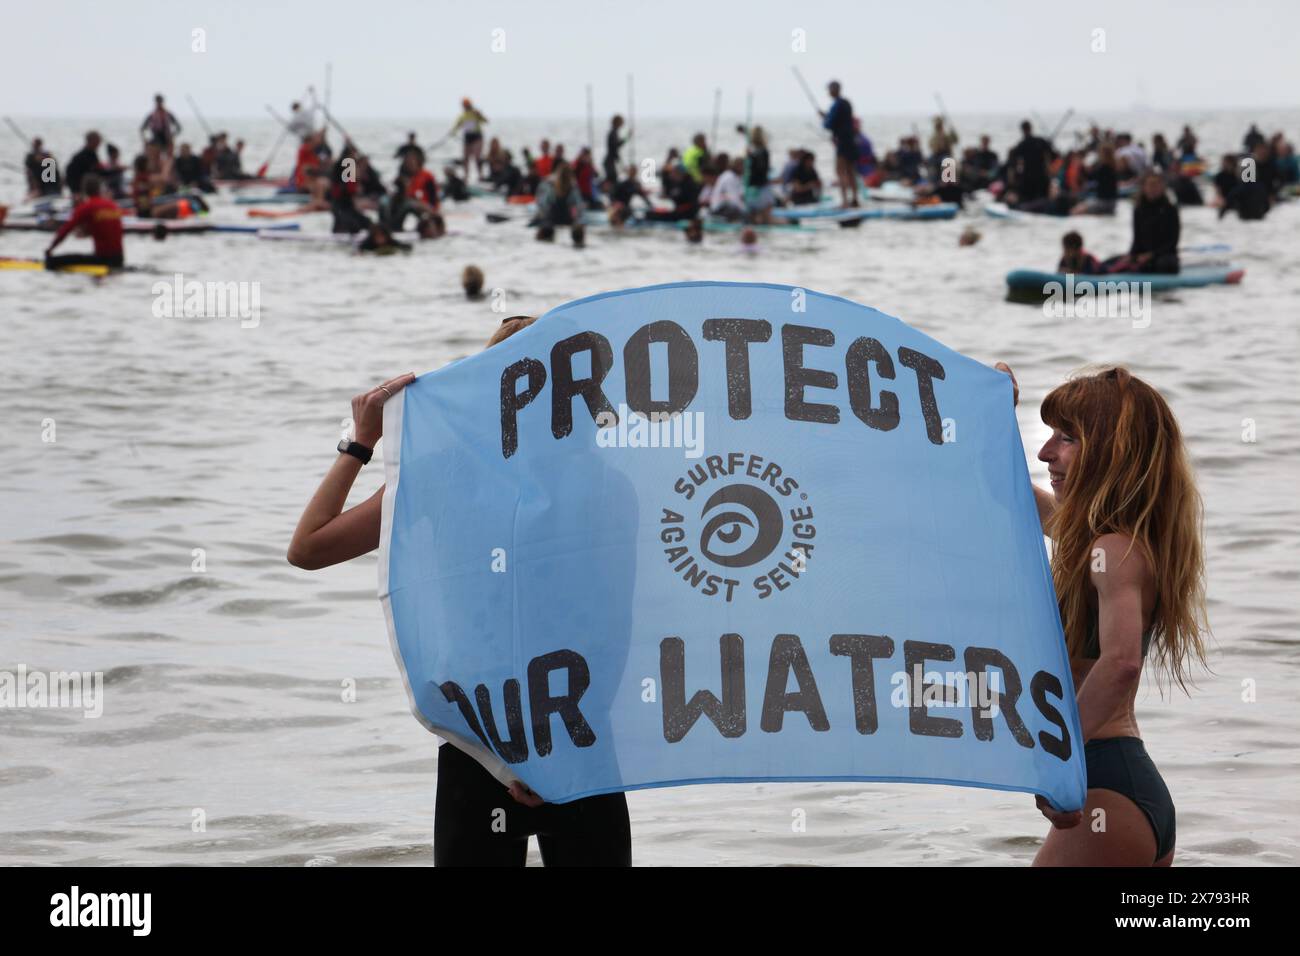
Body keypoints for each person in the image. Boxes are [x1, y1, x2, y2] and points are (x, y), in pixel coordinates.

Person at [286, 325, 633, 867]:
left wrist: (361, 441)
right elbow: (613, 632)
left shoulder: (440, 476)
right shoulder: (608, 485)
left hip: (481, 738)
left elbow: (308, 548)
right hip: (579, 736)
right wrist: (563, 754)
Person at [993, 364, 1207, 866]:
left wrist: (1057, 762)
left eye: (1067, 438)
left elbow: (1121, 663)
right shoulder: (1095, 543)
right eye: (1048, 436)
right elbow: (1006, 495)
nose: (1046, 452)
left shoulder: (1113, 551)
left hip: (1106, 788)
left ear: (1115, 453)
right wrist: (992, 415)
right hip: (1120, 786)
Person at [44, 175, 124, 270]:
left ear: (84, 191)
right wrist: (87, 233)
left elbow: (65, 230)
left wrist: (50, 249)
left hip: (102, 260)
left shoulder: (87, 207)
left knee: (53, 262)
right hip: (119, 259)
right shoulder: (113, 205)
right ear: (99, 189)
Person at [1110, 171, 1179, 274]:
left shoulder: (1170, 210)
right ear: (1144, 188)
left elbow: (1172, 242)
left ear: (1162, 188)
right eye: (1150, 185)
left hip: (1164, 256)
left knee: (1164, 264)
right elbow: (1137, 239)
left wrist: (1151, 255)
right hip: (1142, 255)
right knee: (1112, 261)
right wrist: (1131, 255)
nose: (1153, 189)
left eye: (1156, 185)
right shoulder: (1138, 210)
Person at [821, 80, 859, 206]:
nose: (828, 92)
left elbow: (829, 124)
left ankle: (845, 201)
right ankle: (855, 199)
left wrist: (824, 119)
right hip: (850, 140)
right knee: (851, 171)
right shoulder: (847, 103)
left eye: (829, 90)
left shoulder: (836, 104)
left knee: (840, 171)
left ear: (834, 90)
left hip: (842, 142)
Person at [533, 162, 586, 246]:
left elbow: (544, 204)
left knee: (545, 233)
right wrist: (579, 221)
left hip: (551, 219)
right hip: (567, 219)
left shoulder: (551, 185)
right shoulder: (573, 187)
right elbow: (578, 206)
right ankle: (578, 242)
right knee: (578, 229)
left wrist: (541, 217)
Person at [1007, 120, 1053, 203]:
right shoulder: (1040, 141)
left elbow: (1013, 161)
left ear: (1022, 130)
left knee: (1027, 200)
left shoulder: (1021, 144)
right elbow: (1051, 154)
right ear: (1031, 128)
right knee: (1043, 198)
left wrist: (1012, 176)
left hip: (1028, 176)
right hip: (1041, 175)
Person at [1070, 142, 1118, 215]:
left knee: (1075, 210)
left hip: (1104, 203)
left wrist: (1083, 167)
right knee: (1082, 204)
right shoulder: (1113, 166)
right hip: (1111, 202)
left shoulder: (1103, 168)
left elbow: (1091, 177)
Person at [450, 99, 488, 180]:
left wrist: (480, 115)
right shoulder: (463, 116)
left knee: (477, 157)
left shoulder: (475, 113)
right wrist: (452, 132)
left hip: (477, 137)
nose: (466, 106)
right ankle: (466, 176)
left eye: (467, 105)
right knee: (465, 158)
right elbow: (457, 125)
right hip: (467, 138)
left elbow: (485, 121)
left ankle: (480, 175)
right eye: (464, 105)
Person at [65, 131, 104, 198]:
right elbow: (70, 173)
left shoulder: (93, 155)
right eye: (97, 141)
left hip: (90, 189)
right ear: (91, 141)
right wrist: (76, 190)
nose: (99, 144)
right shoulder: (81, 157)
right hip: (80, 190)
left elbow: (98, 170)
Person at [709, 155, 745, 221]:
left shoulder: (738, 177)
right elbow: (733, 197)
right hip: (720, 207)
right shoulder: (728, 176)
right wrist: (744, 210)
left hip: (727, 205)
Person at [603, 114, 627, 185]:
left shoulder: (613, 132)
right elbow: (615, 146)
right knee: (612, 180)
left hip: (611, 160)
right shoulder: (612, 133)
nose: (622, 124)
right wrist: (627, 137)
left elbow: (616, 146)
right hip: (610, 161)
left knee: (612, 179)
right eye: (621, 122)